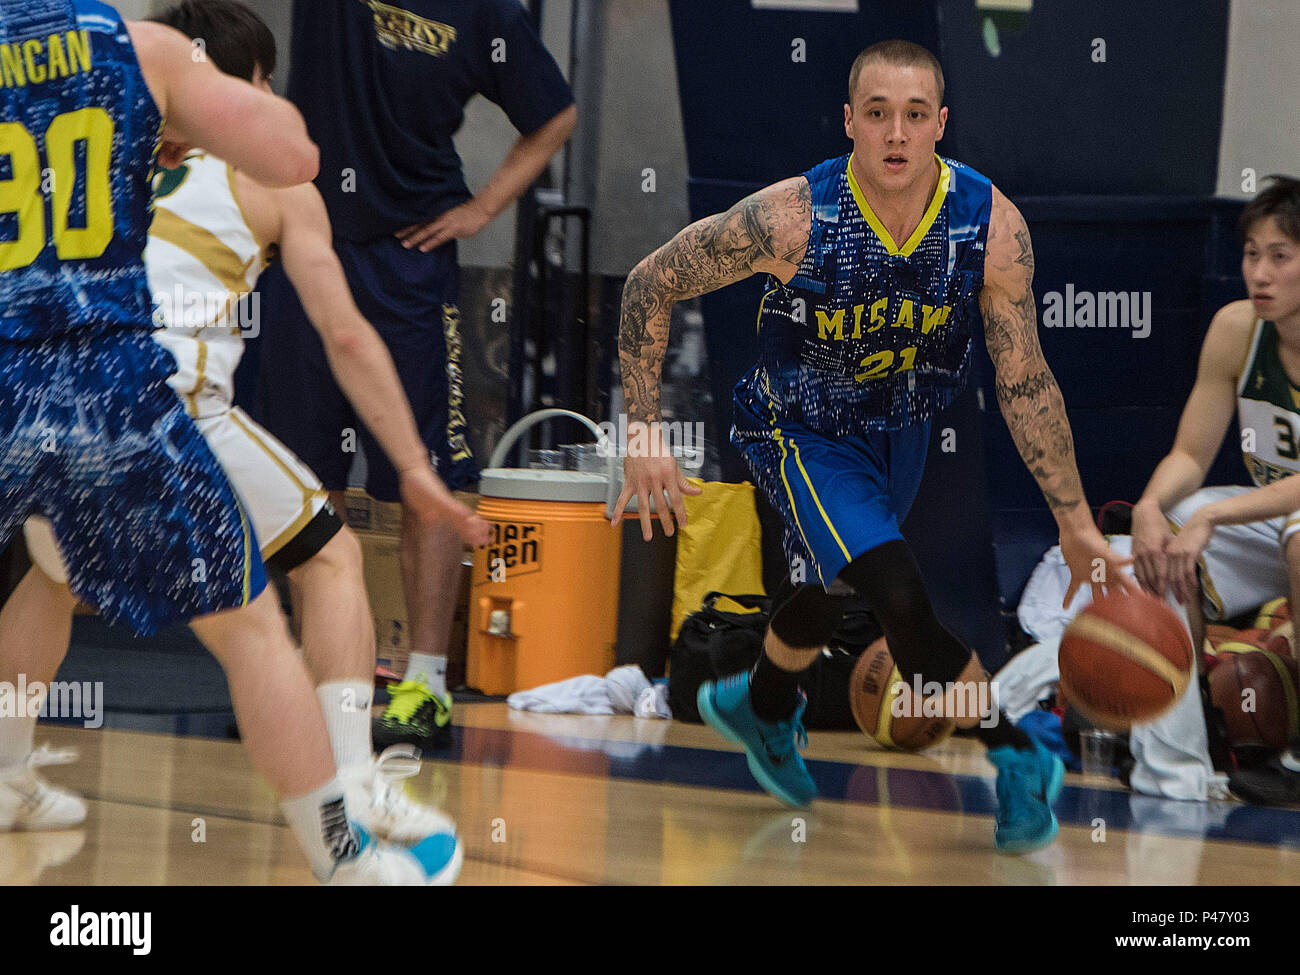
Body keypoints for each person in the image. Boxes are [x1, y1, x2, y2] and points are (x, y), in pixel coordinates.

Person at [613, 40, 1132, 853]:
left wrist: (1072, 519)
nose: (897, 134)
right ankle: (1013, 751)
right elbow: (650, 281)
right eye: (879, 114)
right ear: (850, 122)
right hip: (799, 424)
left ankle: (765, 703)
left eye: (915, 115)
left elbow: (1026, 380)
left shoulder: (990, 229)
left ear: (941, 126)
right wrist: (643, 431)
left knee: (842, 584)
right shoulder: (793, 218)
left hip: (903, 426)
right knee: (898, 596)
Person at [0, 0, 459, 885]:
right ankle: (349, 833)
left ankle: (11, 772)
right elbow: (296, 153)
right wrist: (410, 463)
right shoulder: (143, 57)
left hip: (12, 385)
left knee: (50, 572)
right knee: (271, 612)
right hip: (121, 391)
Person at [254, 0, 576, 752]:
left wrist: (484, 206)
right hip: (308, 246)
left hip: (411, 262)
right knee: (303, 476)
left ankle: (425, 682)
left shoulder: (485, 15)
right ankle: (316, 678)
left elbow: (553, 113)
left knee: (424, 475)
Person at [1132, 175, 1300, 805]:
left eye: (1280, 256)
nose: (1259, 272)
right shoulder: (1236, 330)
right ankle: (1178, 762)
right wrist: (1151, 509)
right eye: (1252, 254)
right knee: (1167, 540)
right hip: (1275, 518)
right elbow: (1190, 453)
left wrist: (1217, 516)